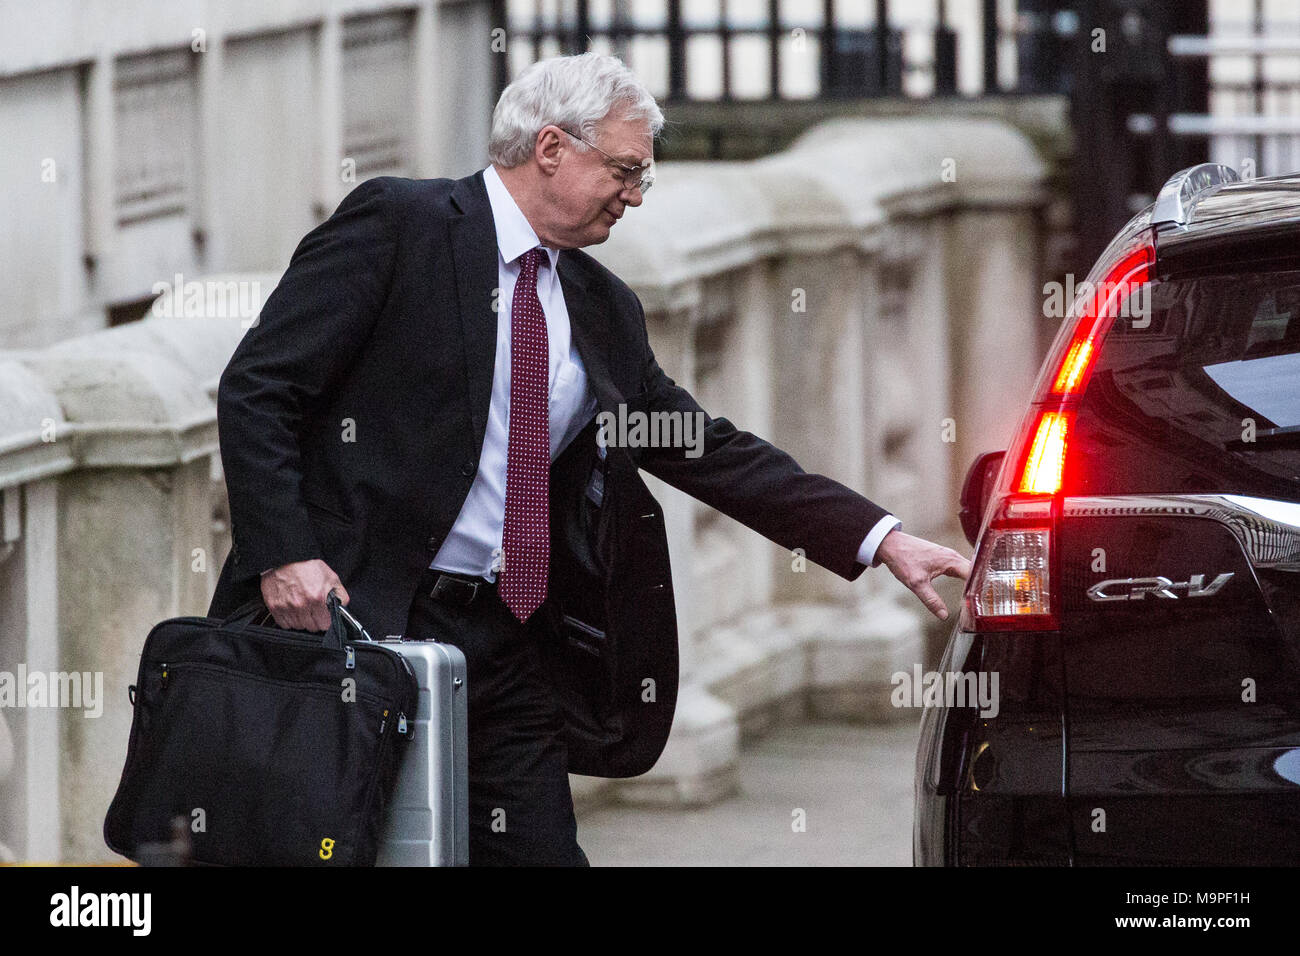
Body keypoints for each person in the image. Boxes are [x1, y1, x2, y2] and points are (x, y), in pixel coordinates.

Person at [209, 52, 971, 866]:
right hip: (354, 623)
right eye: (626, 170)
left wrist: (877, 536)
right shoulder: (401, 226)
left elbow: (702, 446)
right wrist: (285, 554)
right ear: (550, 148)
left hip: (507, 647)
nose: (637, 196)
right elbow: (259, 388)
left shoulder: (601, 305)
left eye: (643, 178)